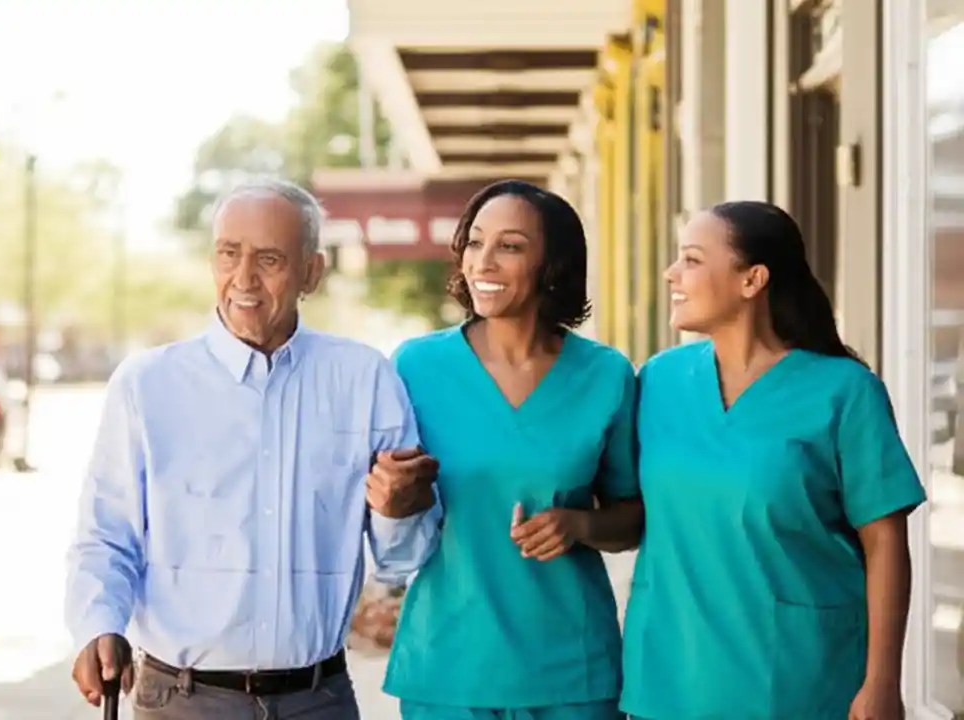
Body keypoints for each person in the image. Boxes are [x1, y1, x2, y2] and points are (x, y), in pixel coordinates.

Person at [64, 178, 444, 719]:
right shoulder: (147, 385)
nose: (244, 278)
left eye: (269, 259)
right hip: (180, 702)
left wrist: (400, 510)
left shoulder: (364, 380)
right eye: (228, 254)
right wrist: (98, 623)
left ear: (311, 272)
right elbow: (106, 535)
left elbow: (403, 558)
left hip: (319, 702)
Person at [620, 201, 926, 720]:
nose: (672, 273)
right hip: (669, 676)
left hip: (797, 680)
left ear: (752, 280)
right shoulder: (658, 381)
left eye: (692, 260)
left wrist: (882, 682)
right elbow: (626, 509)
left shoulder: (844, 391)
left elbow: (885, 542)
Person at [380, 180, 642, 720]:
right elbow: (383, 505)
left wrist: (579, 525)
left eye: (511, 246)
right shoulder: (415, 368)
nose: (484, 262)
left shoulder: (605, 375)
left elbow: (633, 517)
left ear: (553, 265)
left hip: (572, 670)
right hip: (448, 667)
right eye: (475, 243)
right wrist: (389, 494)